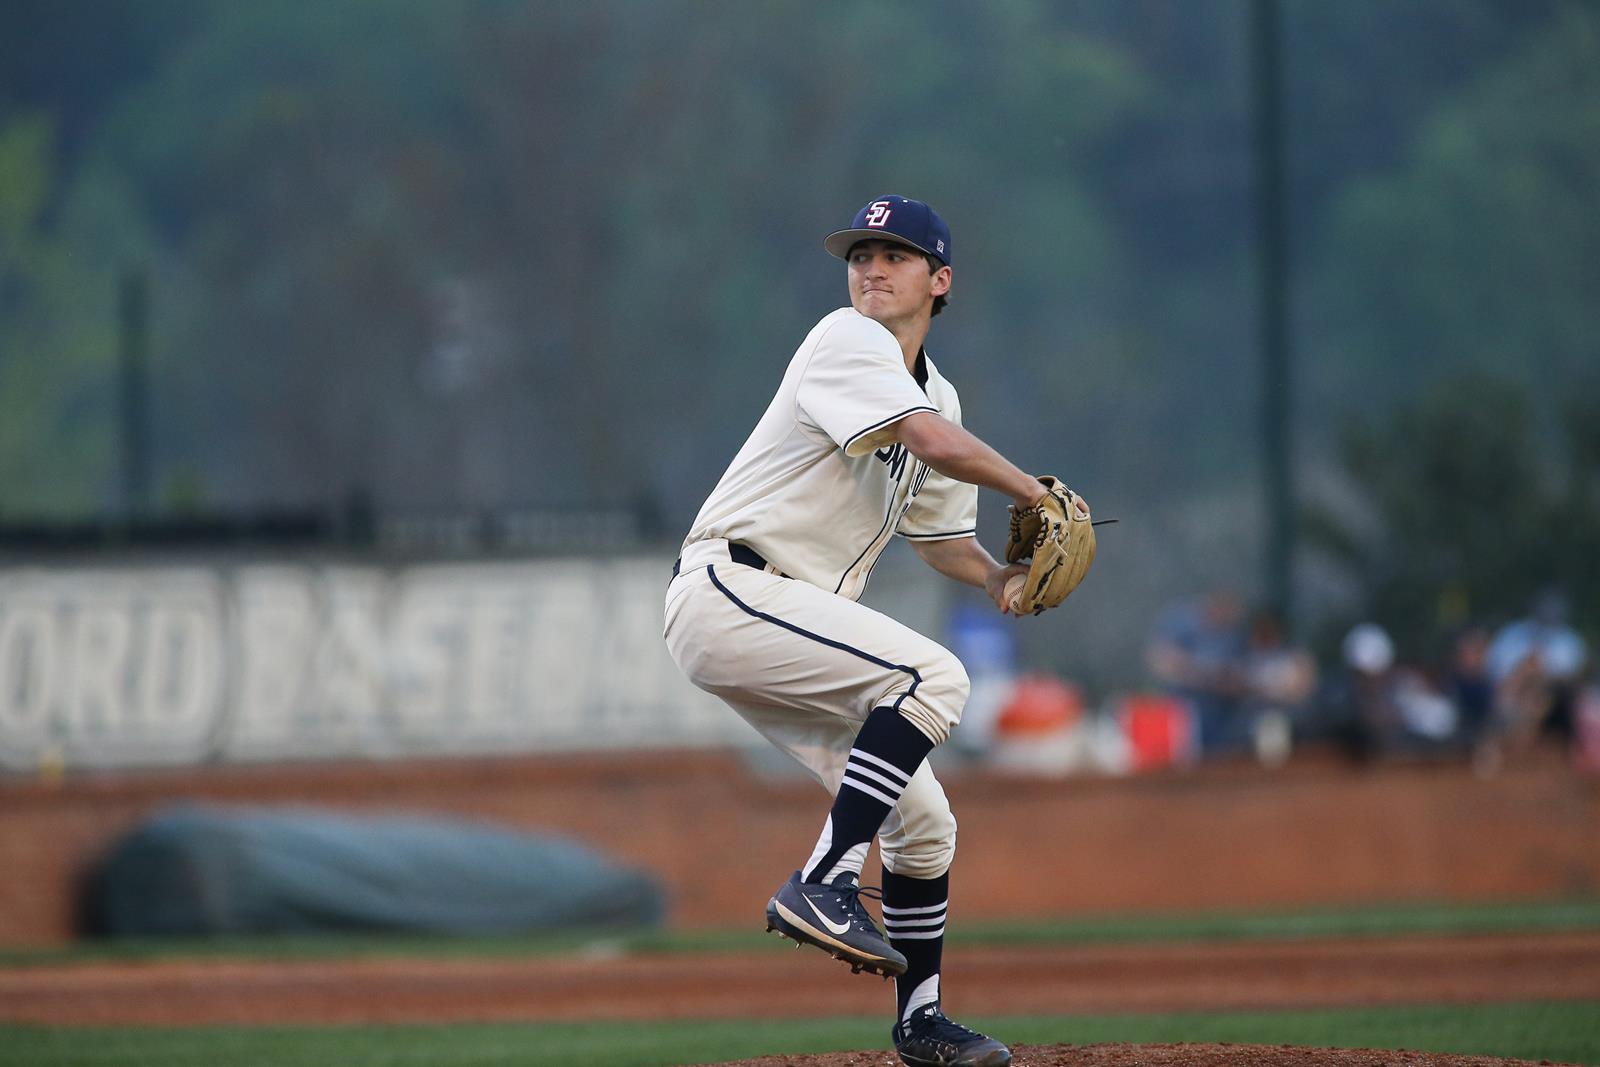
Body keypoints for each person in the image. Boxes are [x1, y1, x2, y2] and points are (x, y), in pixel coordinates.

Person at [664, 195, 1068, 1067]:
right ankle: (825, 877)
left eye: (894, 253)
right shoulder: (846, 339)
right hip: (731, 586)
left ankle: (920, 1024)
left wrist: (999, 577)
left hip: (795, 626)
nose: (870, 268)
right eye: (859, 253)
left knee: (924, 822)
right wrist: (1033, 494)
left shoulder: (941, 394)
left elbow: (941, 539)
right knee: (934, 678)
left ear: (941, 279)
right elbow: (930, 440)